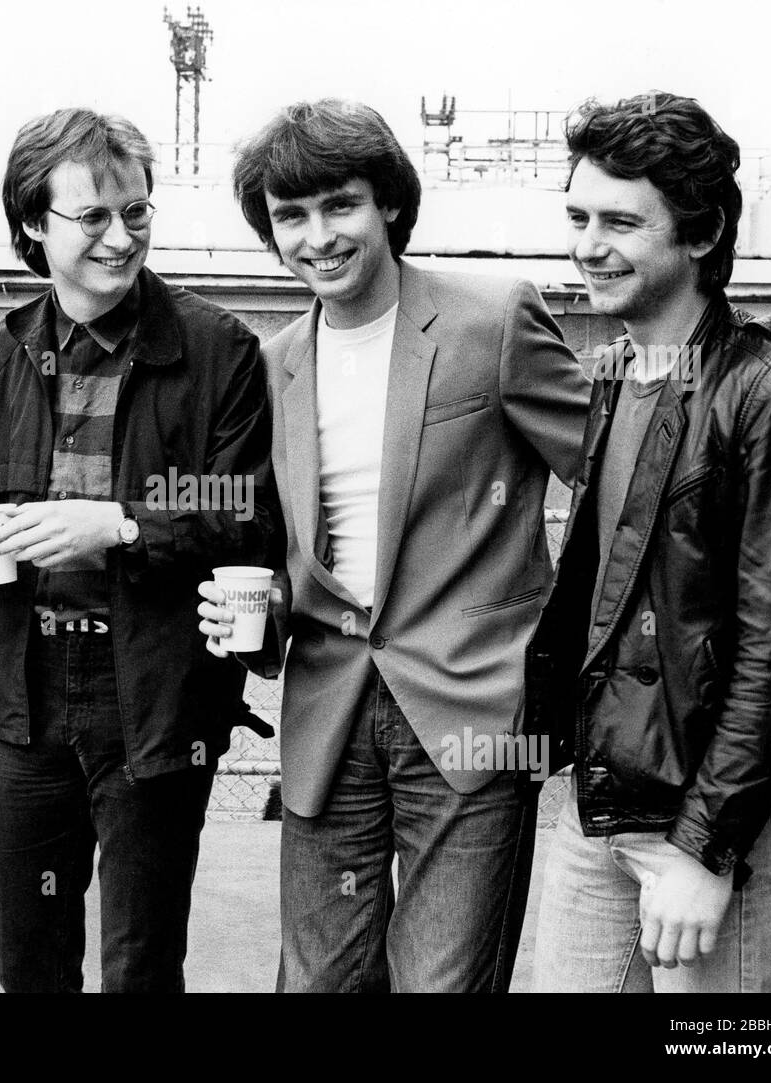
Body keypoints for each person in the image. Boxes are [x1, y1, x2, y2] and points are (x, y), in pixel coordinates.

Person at [200, 99, 590, 991]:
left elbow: (618, 487)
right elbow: (290, 549)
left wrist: (554, 639)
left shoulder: (493, 321)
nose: (317, 236)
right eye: (290, 216)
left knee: (442, 983)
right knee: (319, 981)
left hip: (472, 705)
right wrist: (251, 613)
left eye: (340, 204)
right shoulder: (273, 362)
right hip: (329, 709)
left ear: (390, 206)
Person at [0, 107, 278, 993]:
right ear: (32, 223)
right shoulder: (9, 345)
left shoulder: (218, 347)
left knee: (139, 965)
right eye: (92, 216)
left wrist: (122, 526)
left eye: (135, 212)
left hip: (155, 692)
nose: (120, 236)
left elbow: (246, 510)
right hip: (32, 692)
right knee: (31, 959)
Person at [528, 91, 771, 992]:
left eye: (621, 222)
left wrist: (706, 848)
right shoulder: (619, 372)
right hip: (595, 812)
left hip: (715, 829)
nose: (588, 244)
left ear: (702, 234)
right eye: (578, 217)